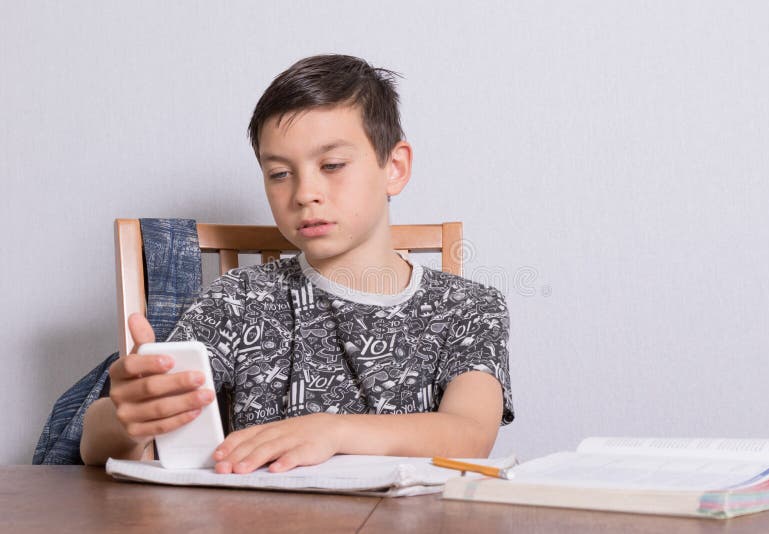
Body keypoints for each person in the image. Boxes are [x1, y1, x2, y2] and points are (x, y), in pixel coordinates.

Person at [80, 54, 513, 474]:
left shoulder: (468, 306)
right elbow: (97, 443)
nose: (305, 193)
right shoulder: (238, 299)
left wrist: (333, 431)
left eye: (332, 165)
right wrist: (127, 415)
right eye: (280, 174)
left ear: (394, 168)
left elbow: (470, 434)